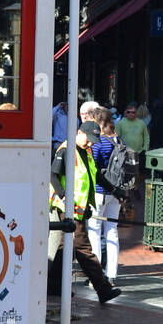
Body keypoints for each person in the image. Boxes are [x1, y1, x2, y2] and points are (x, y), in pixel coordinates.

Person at [48, 119, 121, 304]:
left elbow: (94, 174)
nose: (89, 143)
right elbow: (53, 174)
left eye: (92, 141)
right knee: (83, 248)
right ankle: (103, 289)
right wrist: (64, 196)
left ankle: (54, 285)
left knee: (65, 246)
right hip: (68, 207)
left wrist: (113, 190)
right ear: (79, 132)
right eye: (87, 139)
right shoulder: (66, 150)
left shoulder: (85, 151)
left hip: (79, 208)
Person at [88, 109, 122, 286]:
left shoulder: (99, 142)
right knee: (112, 231)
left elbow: (92, 168)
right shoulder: (119, 141)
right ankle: (112, 274)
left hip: (99, 191)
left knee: (94, 231)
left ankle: (97, 276)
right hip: (116, 193)